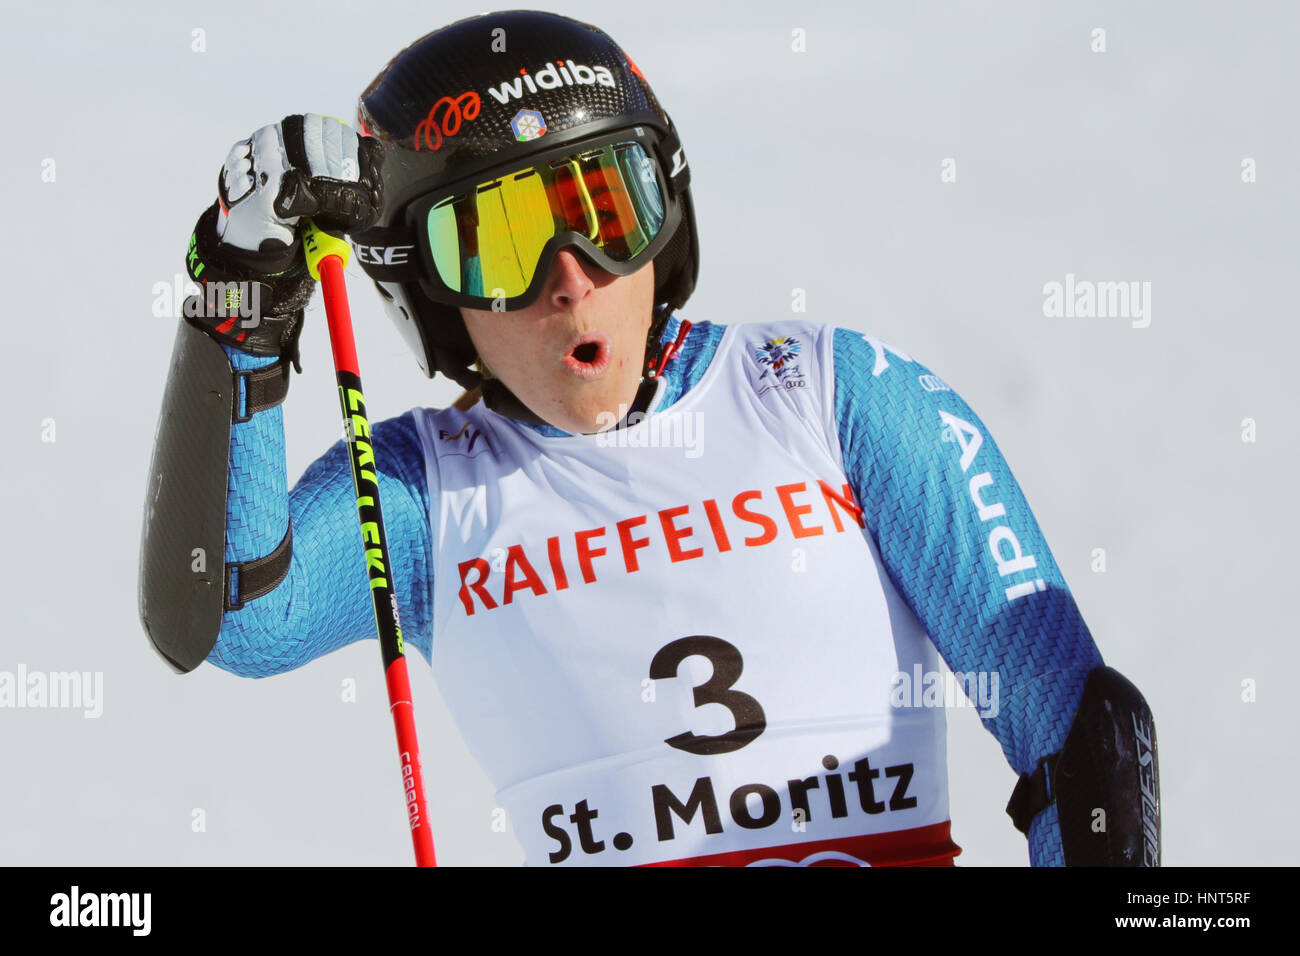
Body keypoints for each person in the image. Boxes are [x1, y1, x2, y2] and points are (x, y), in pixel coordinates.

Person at [139, 9, 1160, 867]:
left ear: (665, 212)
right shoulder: (420, 494)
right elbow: (224, 615)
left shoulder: (831, 395)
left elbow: (1083, 742)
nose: (570, 275)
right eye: (498, 240)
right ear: (429, 291)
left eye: (604, 208)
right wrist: (242, 299)